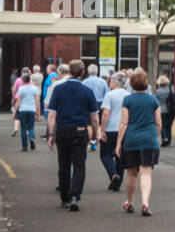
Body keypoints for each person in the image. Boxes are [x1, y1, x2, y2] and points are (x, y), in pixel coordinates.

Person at [45, 59, 100, 211]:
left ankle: (65, 198)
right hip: (80, 131)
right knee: (79, 165)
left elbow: (51, 115)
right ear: (83, 73)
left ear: (69, 71)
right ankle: (75, 195)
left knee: (64, 165)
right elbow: (94, 118)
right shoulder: (87, 91)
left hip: (63, 130)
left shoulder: (59, 89)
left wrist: (51, 134)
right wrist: (95, 135)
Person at [117, 68, 162, 216]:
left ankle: (129, 202)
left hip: (131, 139)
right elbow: (159, 123)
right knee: (146, 173)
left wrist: (118, 143)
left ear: (131, 84)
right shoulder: (153, 100)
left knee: (131, 173)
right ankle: (145, 204)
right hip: (149, 139)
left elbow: (124, 123)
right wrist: (157, 137)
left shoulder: (127, 100)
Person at [98, 72, 128, 191]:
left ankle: (113, 174)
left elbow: (106, 114)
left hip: (111, 128)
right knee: (120, 155)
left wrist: (102, 129)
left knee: (105, 154)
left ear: (115, 82)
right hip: (124, 128)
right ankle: (117, 183)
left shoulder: (110, 95)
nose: (109, 83)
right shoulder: (128, 95)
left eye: (110, 81)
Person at [15, 71, 40, 151]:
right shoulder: (35, 88)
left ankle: (25, 146)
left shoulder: (21, 89)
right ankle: (31, 137)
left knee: (23, 128)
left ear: (23, 80)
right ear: (30, 80)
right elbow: (37, 100)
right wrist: (38, 111)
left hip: (23, 109)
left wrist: (15, 110)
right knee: (31, 126)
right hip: (32, 109)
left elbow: (18, 100)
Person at [154, 74, 175, 146]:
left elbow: (156, 101)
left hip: (161, 110)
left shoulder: (158, 91)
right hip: (171, 110)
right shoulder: (171, 89)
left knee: (162, 126)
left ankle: (164, 138)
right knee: (169, 126)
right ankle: (169, 141)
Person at [40, 63, 58, 136]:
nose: (46, 70)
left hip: (48, 99)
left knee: (49, 116)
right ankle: (48, 132)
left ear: (50, 70)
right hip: (48, 99)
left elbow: (50, 88)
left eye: (47, 69)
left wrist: (47, 99)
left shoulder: (52, 76)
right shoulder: (54, 76)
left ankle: (50, 133)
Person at [10, 66, 28, 136]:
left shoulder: (18, 80)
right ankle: (26, 130)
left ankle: (16, 128)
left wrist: (13, 98)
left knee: (17, 115)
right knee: (26, 115)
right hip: (26, 98)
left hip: (17, 98)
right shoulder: (30, 80)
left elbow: (14, 90)